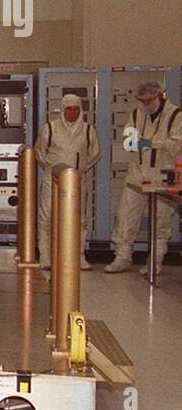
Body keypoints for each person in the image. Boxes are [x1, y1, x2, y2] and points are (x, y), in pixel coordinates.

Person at [106, 79, 182, 275]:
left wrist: (153, 142)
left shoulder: (175, 115)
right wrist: (131, 142)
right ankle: (122, 257)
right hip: (137, 174)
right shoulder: (137, 113)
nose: (146, 104)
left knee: (161, 222)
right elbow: (128, 138)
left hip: (163, 175)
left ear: (159, 96)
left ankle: (154, 262)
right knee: (127, 218)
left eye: (149, 100)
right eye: (143, 100)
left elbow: (176, 144)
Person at [35, 93, 101, 270]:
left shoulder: (88, 130)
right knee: (47, 215)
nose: (72, 113)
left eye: (76, 109)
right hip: (52, 178)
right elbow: (40, 153)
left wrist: (80, 168)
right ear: (62, 110)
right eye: (69, 109)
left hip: (78, 178)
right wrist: (51, 167)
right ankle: (45, 255)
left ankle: (78, 255)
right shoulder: (50, 129)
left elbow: (95, 153)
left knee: (80, 218)